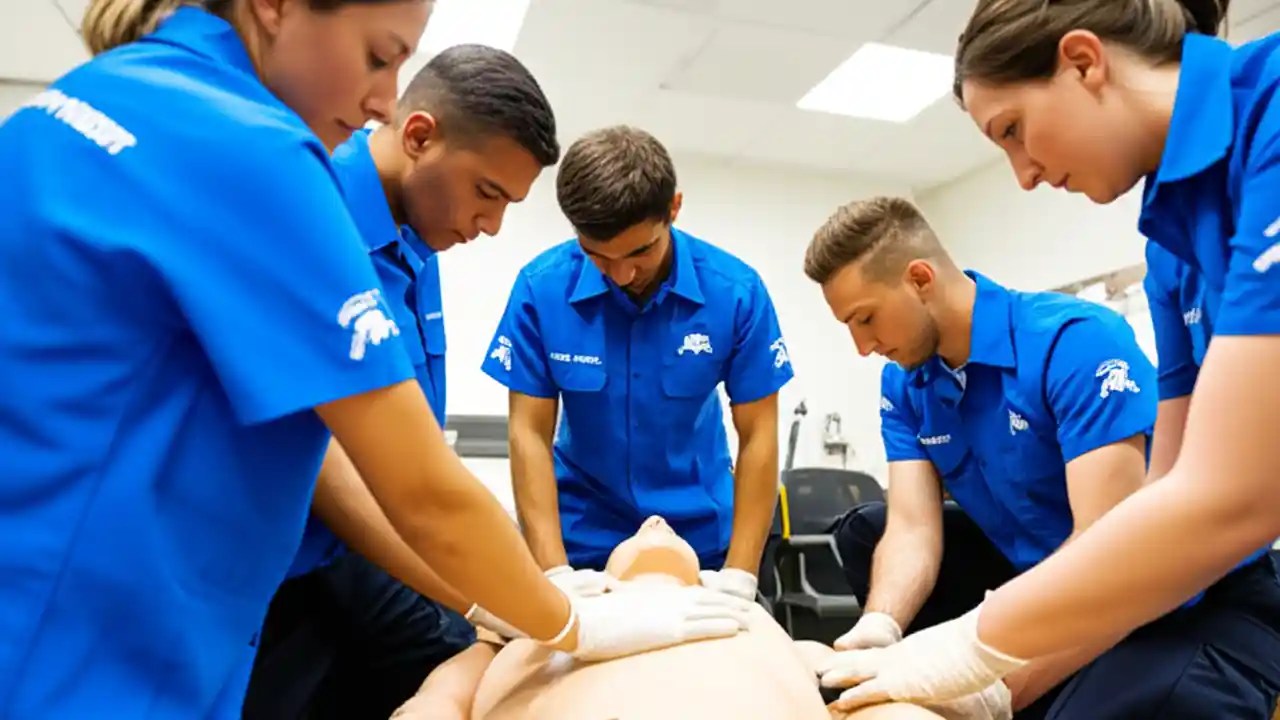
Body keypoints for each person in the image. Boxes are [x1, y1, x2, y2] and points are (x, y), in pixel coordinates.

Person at [0, 0, 753, 715]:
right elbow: (412, 485)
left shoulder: (83, 101)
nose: (381, 101)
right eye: (377, 56)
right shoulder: (259, 153)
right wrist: (562, 619)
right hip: (99, 628)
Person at [817, 0, 1280, 715]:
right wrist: (899, 636)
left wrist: (978, 657)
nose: (1023, 174)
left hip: (1215, 591)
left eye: (1012, 131)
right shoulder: (1171, 238)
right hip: (1127, 572)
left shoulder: (1270, 112)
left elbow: (1234, 497)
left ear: (1085, 62)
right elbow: (1173, 489)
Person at [804, 196, 1252, 719]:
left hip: (1160, 589)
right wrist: (879, 629)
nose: (862, 346)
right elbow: (910, 527)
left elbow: (1110, 552)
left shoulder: (1075, 342)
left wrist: (995, 687)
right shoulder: (904, 382)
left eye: (866, 319)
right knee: (866, 528)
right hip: (1041, 570)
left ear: (920, 279)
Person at [243, 43, 560, 720]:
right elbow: (347, 472)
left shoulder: (417, 242)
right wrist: (482, 593)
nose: (491, 226)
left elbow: (417, 449)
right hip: (275, 581)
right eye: (487, 193)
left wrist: (506, 576)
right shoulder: (314, 218)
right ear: (419, 136)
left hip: (355, 568)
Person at [480, 125, 794, 603]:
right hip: (581, 544)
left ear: (673, 208)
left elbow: (759, 435)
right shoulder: (540, 291)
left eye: (640, 251)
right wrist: (553, 572)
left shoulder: (736, 292)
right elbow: (528, 433)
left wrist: (740, 574)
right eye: (598, 256)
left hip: (701, 547)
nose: (622, 274)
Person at [389, 515, 965, 720]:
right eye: (635, 531)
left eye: (663, 528)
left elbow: (856, 682)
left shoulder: (742, 615)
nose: (656, 521)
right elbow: (441, 697)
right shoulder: (542, 614)